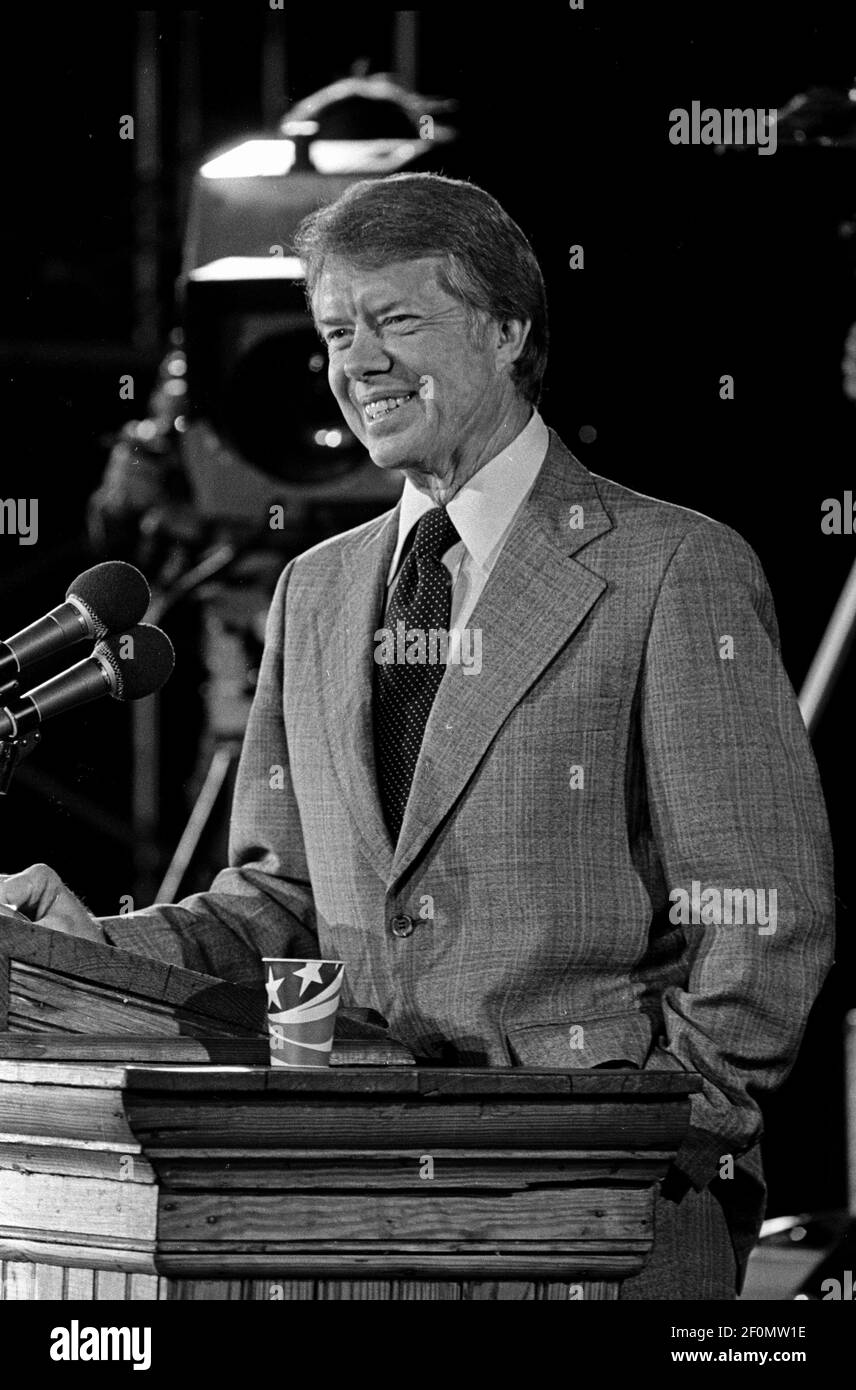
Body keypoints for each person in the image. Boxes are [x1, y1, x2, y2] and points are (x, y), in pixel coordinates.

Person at [0, 173, 835, 1300]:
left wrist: (664, 1120)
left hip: (604, 1213)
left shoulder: (671, 567)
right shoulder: (318, 588)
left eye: (396, 321)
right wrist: (92, 946)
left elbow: (761, 906)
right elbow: (279, 902)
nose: (358, 364)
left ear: (506, 330)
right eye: (337, 332)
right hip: (344, 1214)